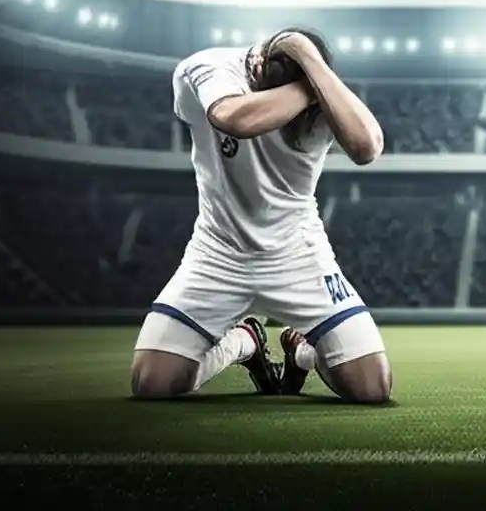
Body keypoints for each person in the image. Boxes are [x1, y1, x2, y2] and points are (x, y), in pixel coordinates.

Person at [129, 27, 392, 404]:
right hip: (218, 254)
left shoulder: (328, 96)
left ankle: (301, 348)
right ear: (255, 64)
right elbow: (232, 118)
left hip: (298, 254)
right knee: (150, 383)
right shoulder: (209, 66)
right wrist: (308, 86)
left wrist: (314, 72)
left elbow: (367, 147)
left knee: (373, 387)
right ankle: (244, 342)